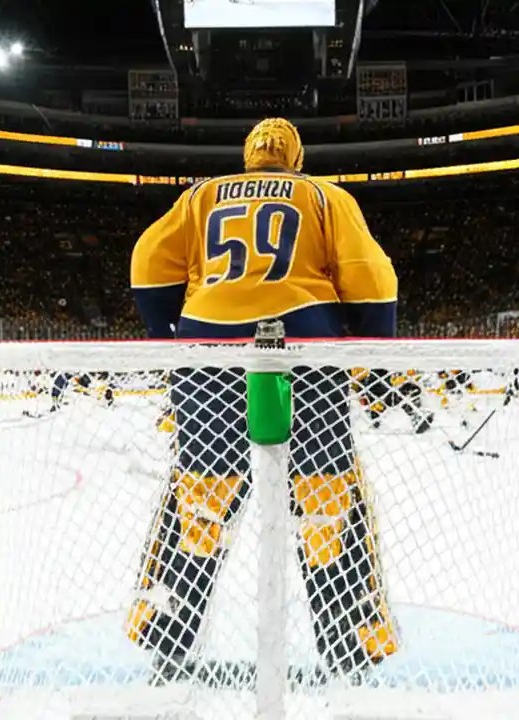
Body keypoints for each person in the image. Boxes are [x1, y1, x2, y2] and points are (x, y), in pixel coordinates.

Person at [127, 117, 400, 679]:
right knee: (326, 502)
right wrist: (372, 357)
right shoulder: (323, 195)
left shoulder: (201, 196)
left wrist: (168, 334)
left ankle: (165, 636)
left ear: (247, 155)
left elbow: (148, 263)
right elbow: (373, 278)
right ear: (296, 158)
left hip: (208, 356)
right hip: (306, 352)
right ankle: (350, 643)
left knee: (199, 502)